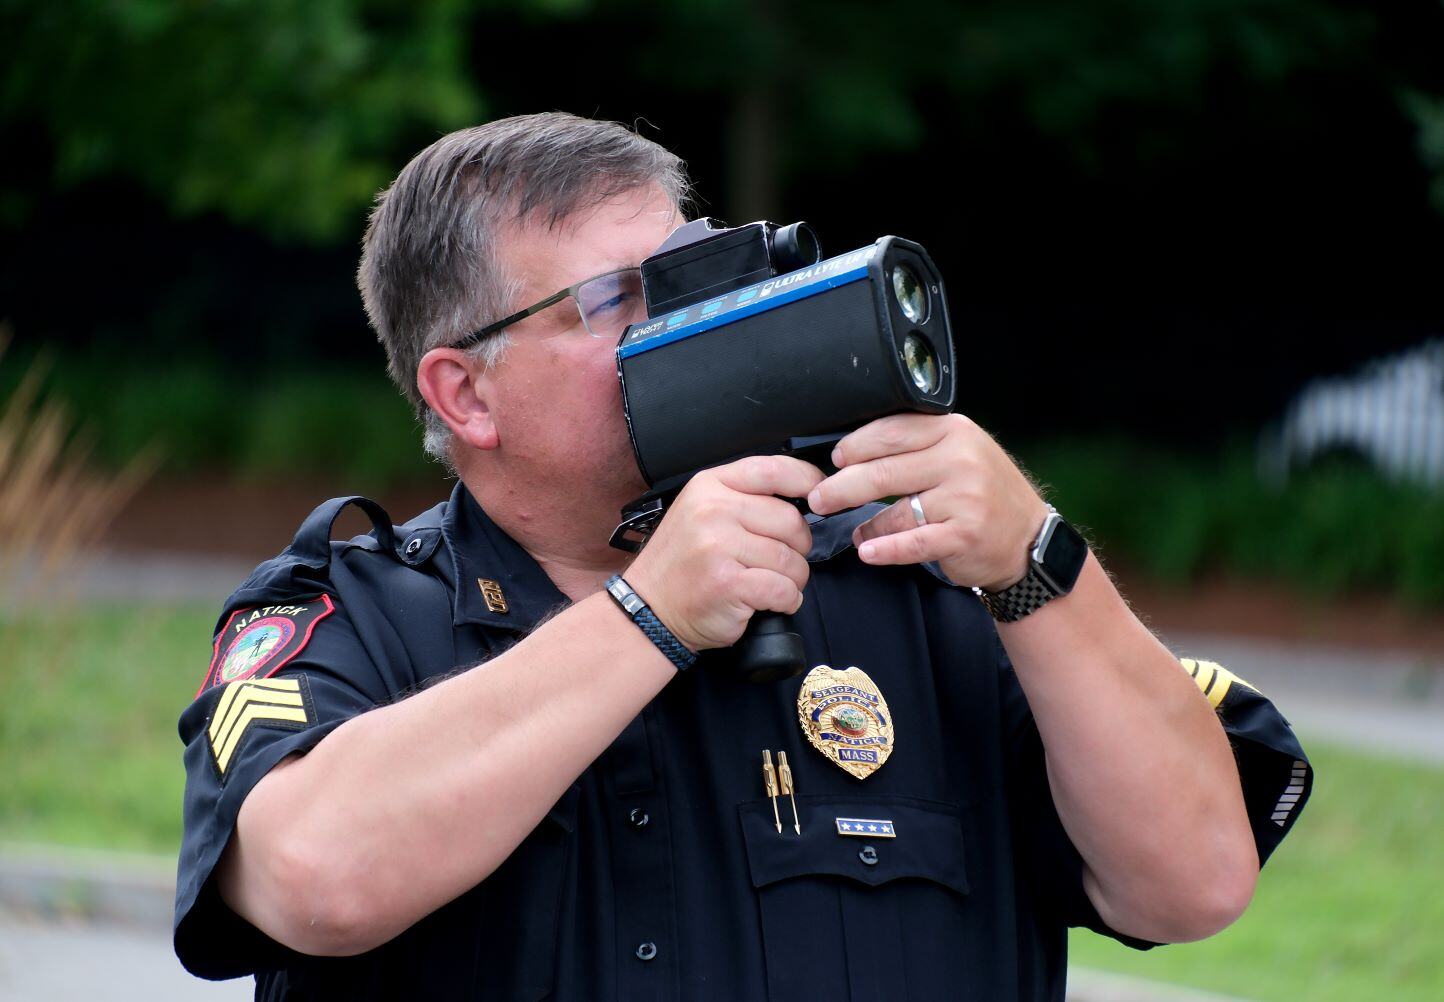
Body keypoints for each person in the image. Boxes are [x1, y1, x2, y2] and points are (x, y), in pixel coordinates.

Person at [174, 112, 1311, 1000]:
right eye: (619, 301)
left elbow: (1195, 880)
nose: (687, 323)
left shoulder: (917, 578)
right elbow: (310, 877)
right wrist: (646, 614)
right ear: (465, 391)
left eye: (692, 275)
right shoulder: (357, 614)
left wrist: (1035, 562)